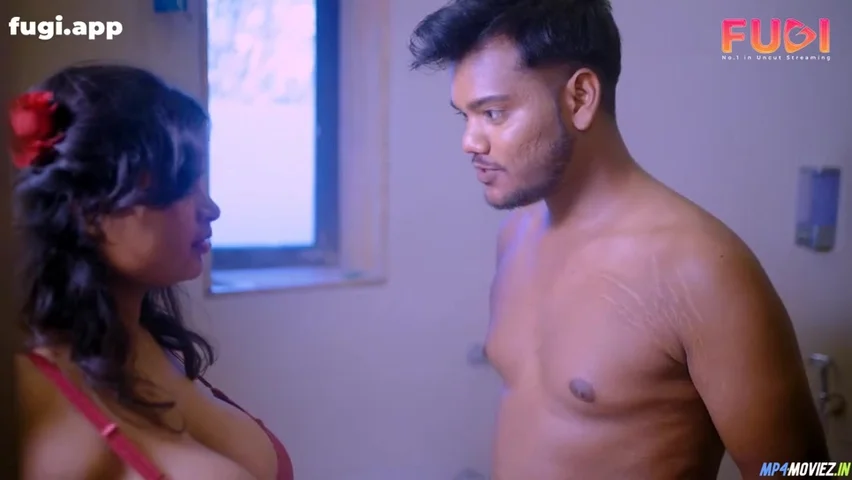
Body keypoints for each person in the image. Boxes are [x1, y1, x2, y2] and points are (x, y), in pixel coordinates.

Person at [409, 0, 829, 478]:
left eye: (493, 113)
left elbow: (807, 471)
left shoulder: (702, 270)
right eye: (465, 116)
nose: (470, 142)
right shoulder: (514, 238)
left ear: (580, 97)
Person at [10, 64, 293, 480]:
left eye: (201, 182)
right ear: (88, 209)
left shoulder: (149, 340)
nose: (211, 209)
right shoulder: (32, 392)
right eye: (182, 185)